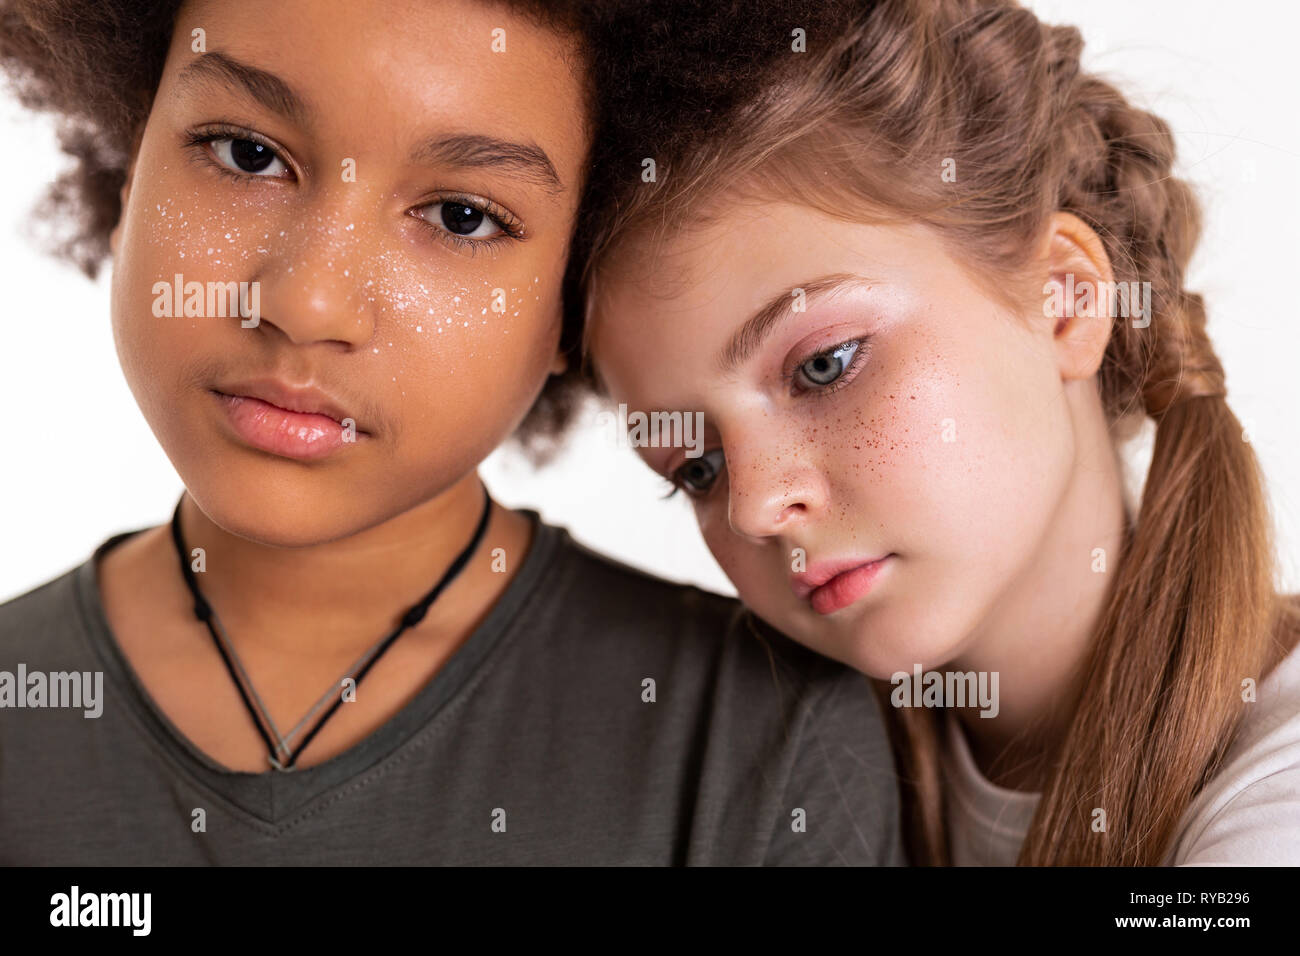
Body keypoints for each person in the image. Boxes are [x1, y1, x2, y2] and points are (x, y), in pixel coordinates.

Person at [0, 0, 903, 865]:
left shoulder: (756, 747)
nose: (307, 303)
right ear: (129, 162)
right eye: (245, 154)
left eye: (460, 216)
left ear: (573, 300)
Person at [580, 0, 1300, 865]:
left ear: (1066, 302)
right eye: (697, 464)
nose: (758, 508)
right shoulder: (779, 782)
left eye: (824, 365)